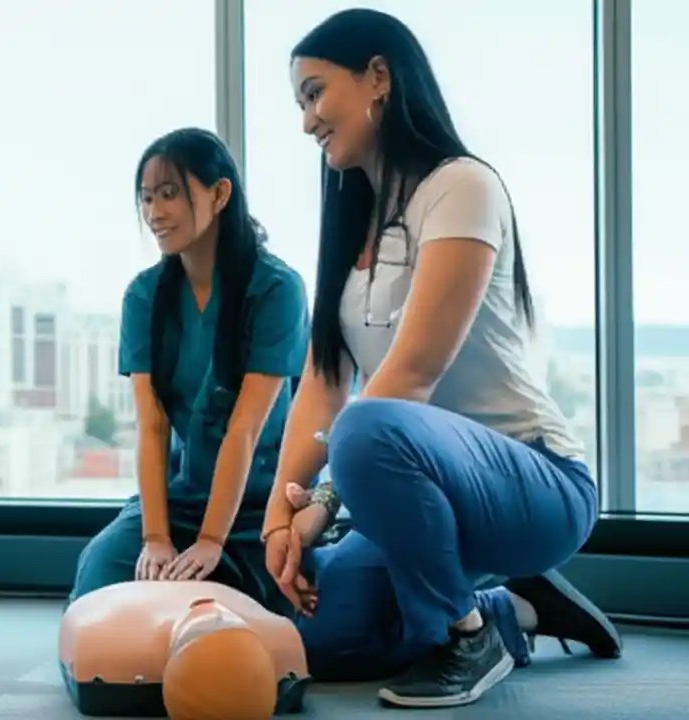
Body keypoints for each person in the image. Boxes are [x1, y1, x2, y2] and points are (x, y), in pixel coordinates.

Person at [260, 8, 622, 709]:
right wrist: (280, 520)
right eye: (299, 104)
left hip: (535, 483)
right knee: (318, 632)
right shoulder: (349, 223)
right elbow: (320, 386)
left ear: (378, 78)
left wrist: (324, 502)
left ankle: (464, 633)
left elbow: (411, 376)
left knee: (370, 427)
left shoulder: (461, 187)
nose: (306, 121)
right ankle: (514, 612)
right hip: (420, 491)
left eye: (314, 93)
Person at [68, 128, 309, 609]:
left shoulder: (276, 289)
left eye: (171, 194)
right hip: (177, 502)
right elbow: (152, 428)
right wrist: (156, 538)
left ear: (220, 194)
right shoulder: (144, 296)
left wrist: (212, 542)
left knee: (296, 619)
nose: (155, 213)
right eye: (147, 198)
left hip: (263, 507)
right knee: (96, 588)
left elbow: (244, 430)